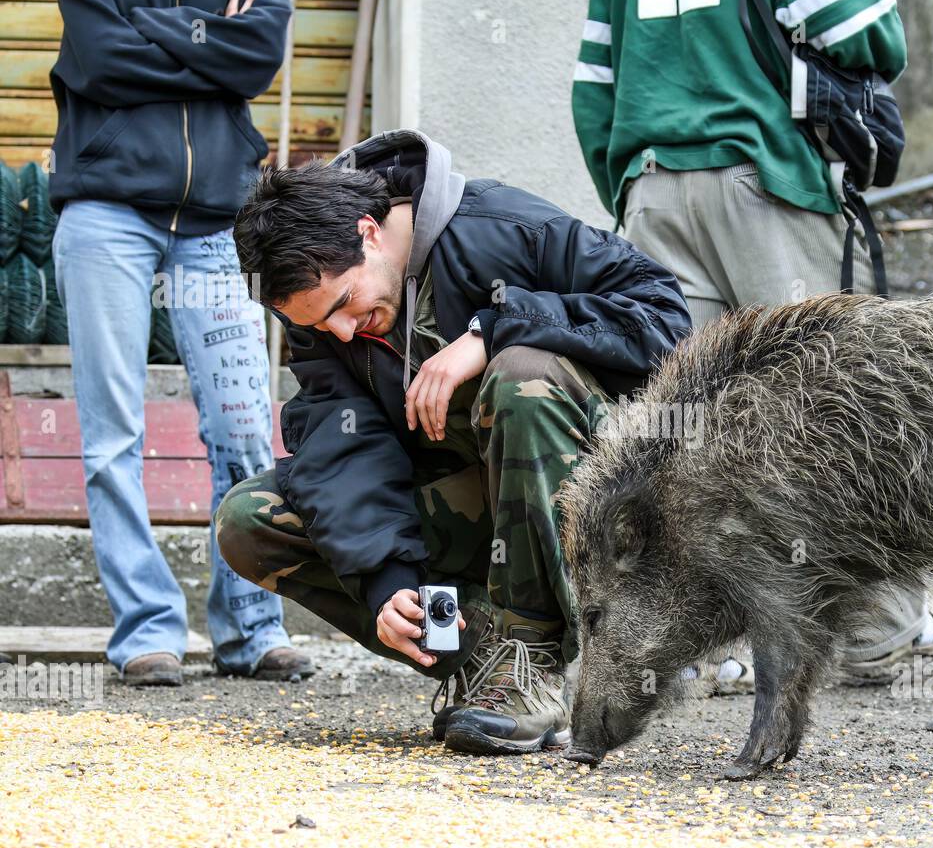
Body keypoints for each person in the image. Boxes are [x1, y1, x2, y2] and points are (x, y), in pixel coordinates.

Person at [217, 130, 691, 755]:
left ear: (367, 230)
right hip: (473, 512)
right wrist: (386, 577)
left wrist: (494, 331)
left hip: (598, 509)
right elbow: (338, 444)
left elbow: (664, 318)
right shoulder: (324, 305)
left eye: (343, 303)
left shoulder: (505, 226)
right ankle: (487, 661)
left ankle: (536, 653)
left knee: (524, 376)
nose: (340, 330)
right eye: (318, 324)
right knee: (248, 521)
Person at [571, 0, 933, 688]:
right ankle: (878, 634)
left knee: (680, 439)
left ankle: (692, 650)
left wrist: (631, 188)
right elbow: (866, 30)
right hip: (765, 179)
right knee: (839, 415)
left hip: (654, 188)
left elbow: (594, 90)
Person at [49, 0, 312, 685]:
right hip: (106, 214)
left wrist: (155, 30)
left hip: (218, 221)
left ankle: (252, 628)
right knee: (113, 436)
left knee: (246, 425)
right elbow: (102, 61)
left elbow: (255, 59)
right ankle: (147, 629)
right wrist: (207, 44)